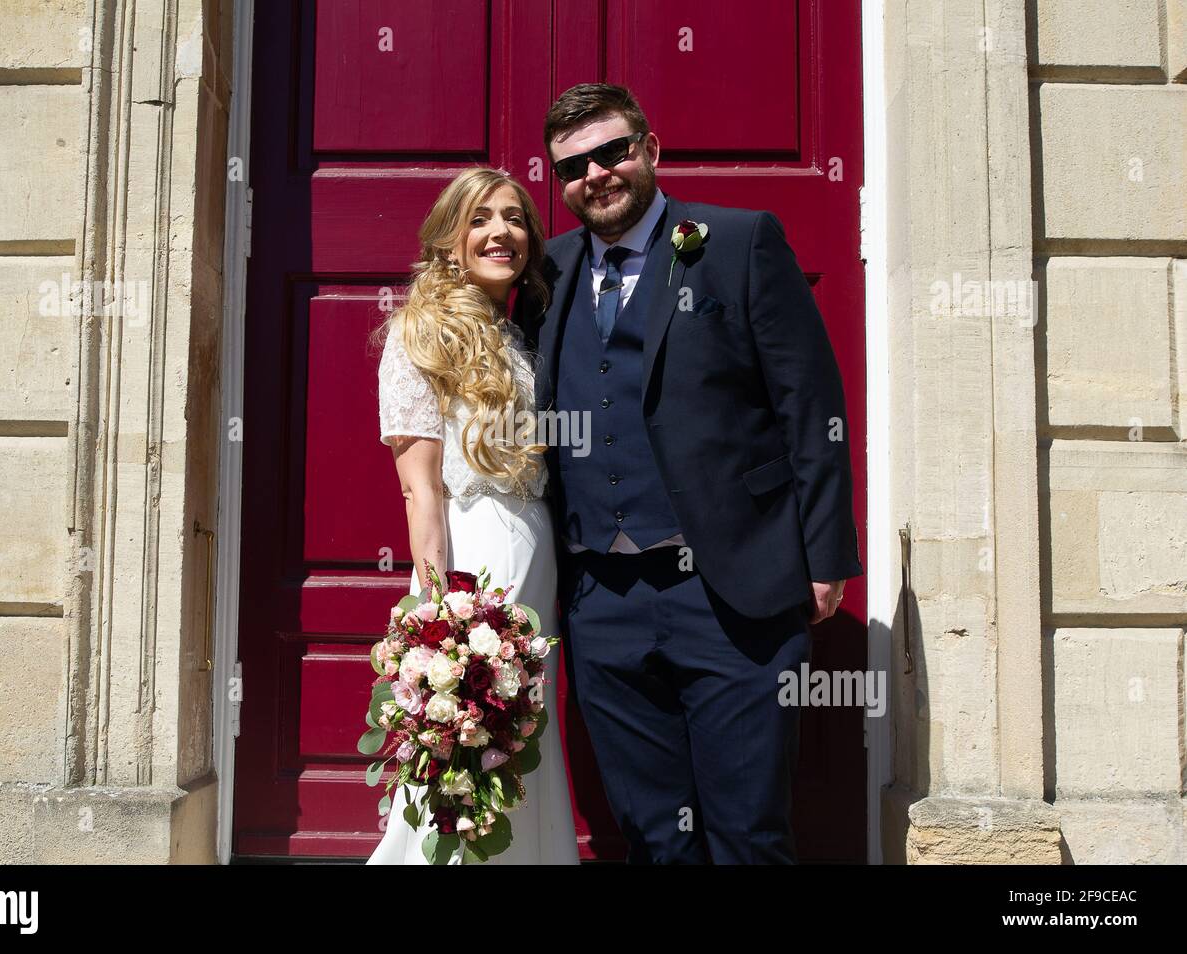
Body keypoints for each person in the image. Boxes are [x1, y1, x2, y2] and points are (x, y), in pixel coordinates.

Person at [523, 83, 863, 864]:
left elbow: (810, 407)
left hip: (730, 592)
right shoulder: (549, 271)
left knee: (747, 832)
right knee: (649, 834)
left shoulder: (737, 243)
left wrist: (825, 557)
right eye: (573, 167)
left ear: (650, 149)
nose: (596, 175)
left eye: (611, 152)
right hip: (601, 598)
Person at [367, 167, 579, 865]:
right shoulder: (421, 332)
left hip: (535, 545)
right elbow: (419, 487)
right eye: (481, 218)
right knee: (470, 736)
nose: (501, 232)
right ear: (450, 241)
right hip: (473, 554)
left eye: (515, 218)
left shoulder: (517, 332)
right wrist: (439, 617)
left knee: (522, 735)